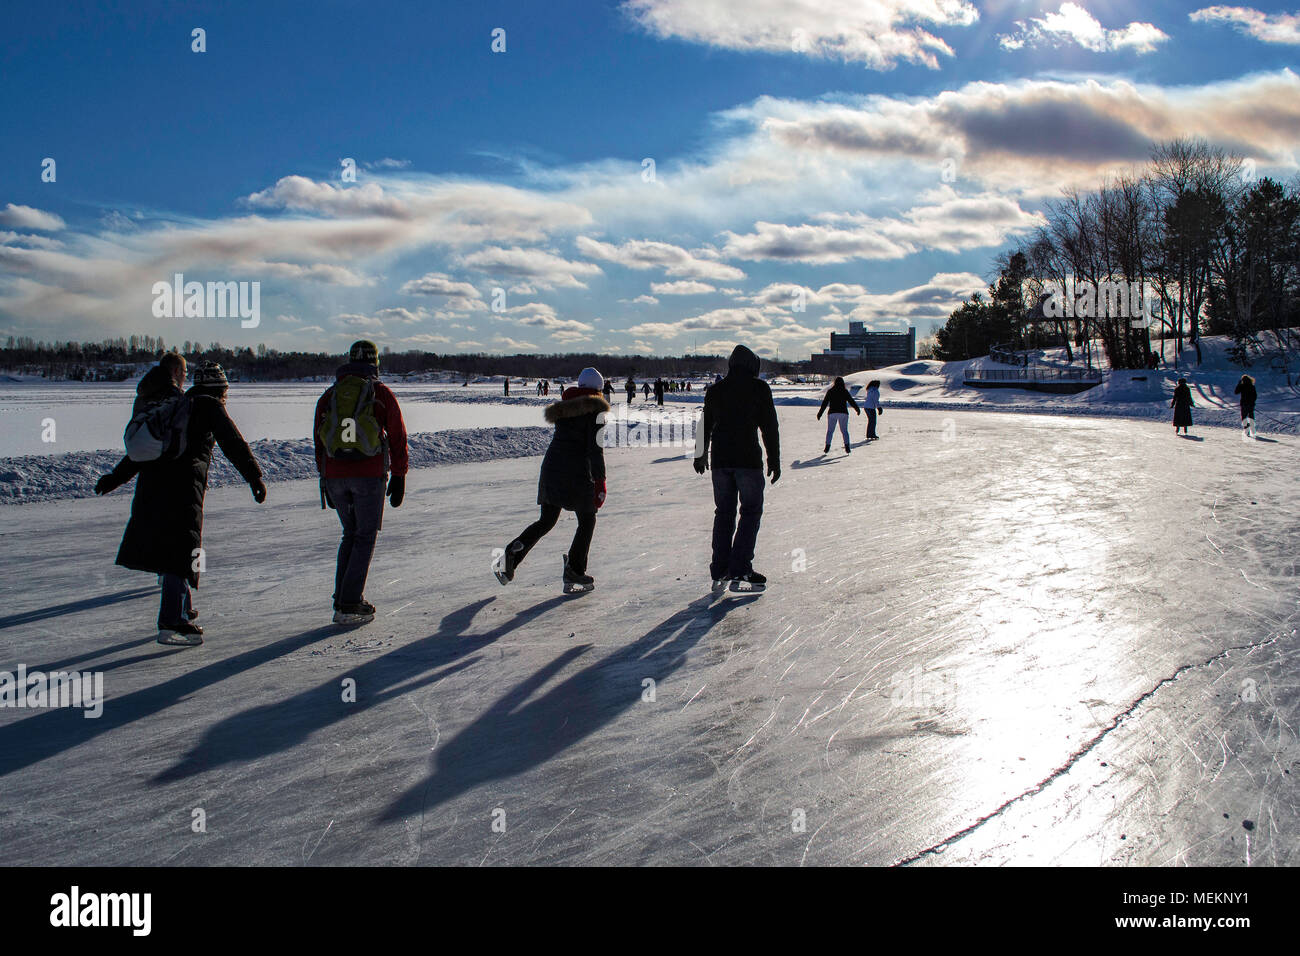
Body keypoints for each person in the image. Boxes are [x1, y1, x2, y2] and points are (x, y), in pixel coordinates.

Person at [94, 358, 266, 646]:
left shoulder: (177, 406)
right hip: (183, 488)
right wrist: (254, 477)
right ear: (219, 388)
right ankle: (171, 622)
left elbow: (145, 451)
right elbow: (232, 442)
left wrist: (115, 478)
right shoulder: (209, 405)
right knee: (180, 553)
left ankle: (182, 608)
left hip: (152, 486)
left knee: (173, 549)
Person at [314, 340, 409, 625]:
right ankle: (350, 603)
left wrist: (325, 478)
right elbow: (397, 435)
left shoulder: (330, 395)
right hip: (368, 475)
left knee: (350, 534)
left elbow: (318, 439)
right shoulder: (379, 393)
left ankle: (342, 597)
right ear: (375, 363)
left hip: (335, 475)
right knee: (364, 536)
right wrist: (400, 474)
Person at [496, 367, 608, 593]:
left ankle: (511, 556)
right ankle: (575, 569)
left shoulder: (564, 409)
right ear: (599, 391)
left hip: (552, 469)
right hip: (576, 473)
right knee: (587, 520)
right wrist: (600, 481)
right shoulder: (596, 412)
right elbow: (594, 450)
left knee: (546, 520)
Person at [694, 345, 780, 593]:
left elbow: (705, 424)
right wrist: (774, 459)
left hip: (721, 462)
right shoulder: (759, 388)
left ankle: (721, 568)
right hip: (748, 461)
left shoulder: (716, 390)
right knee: (750, 512)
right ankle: (740, 566)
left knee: (724, 513)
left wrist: (701, 455)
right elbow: (769, 427)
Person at [816, 376, 859, 454]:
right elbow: (851, 401)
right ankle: (847, 447)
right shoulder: (844, 391)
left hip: (832, 413)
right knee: (844, 431)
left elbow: (825, 403)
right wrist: (857, 409)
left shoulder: (830, 391)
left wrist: (820, 413)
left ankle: (827, 447)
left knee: (830, 431)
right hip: (843, 413)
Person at [1235, 374, 1257, 439]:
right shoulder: (1252, 386)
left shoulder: (1242, 386)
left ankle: (1247, 430)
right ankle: (1252, 428)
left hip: (1244, 404)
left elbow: (1236, 392)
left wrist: (1239, 384)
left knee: (1244, 417)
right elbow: (1255, 395)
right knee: (1251, 416)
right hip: (1251, 404)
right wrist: (1253, 402)